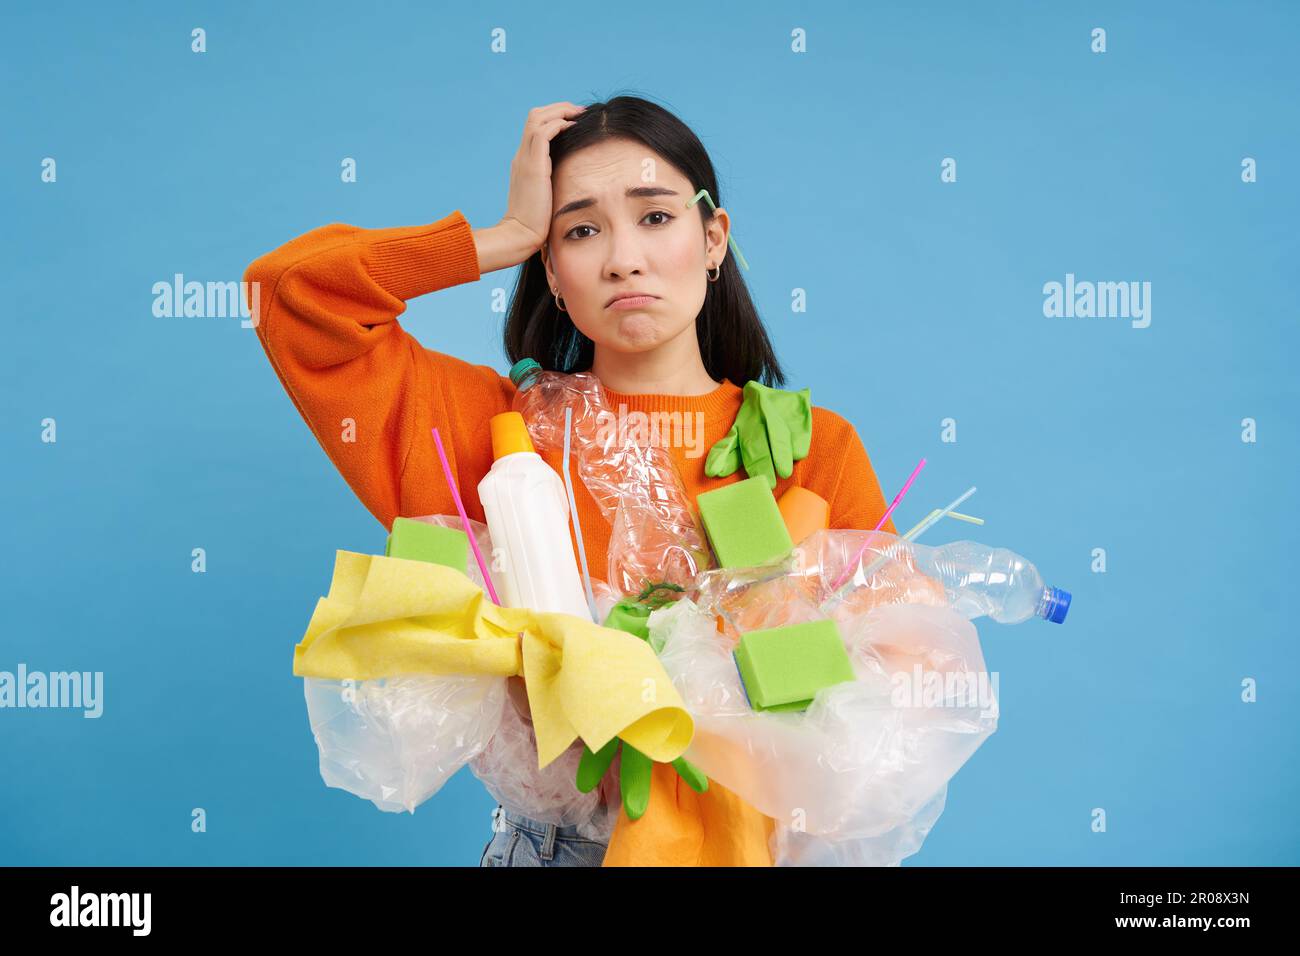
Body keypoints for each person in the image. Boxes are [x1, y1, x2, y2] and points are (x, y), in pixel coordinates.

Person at [245, 94, 897, 867]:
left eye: (656, 217)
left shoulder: (811, 450)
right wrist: (502, 237)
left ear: (714, 237)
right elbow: (288, 293)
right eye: (581, 230)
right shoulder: (494, 437)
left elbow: (897, 667)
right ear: (552, 271)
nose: (624, 257)